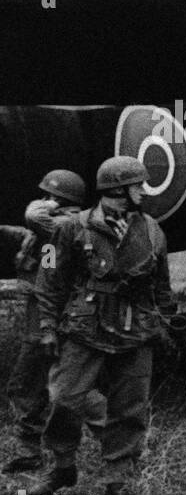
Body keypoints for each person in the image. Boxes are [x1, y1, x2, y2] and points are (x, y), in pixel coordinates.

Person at [29, 157, 176, 495]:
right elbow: (49, 283)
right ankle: (63, 466)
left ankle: (118, 479)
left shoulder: (152, 230)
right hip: (85, 326)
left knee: (130, 408)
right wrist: (48, 328)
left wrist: (171, 327)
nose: (143, 190)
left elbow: (163, 287)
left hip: (136, 328)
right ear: (119, 189)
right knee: (63, 398)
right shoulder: (74, 228)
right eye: (137, 185)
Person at [2, 170, 107, 474]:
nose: (44, 200)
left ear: (60, 200)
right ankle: (28, 450)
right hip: (49, 311)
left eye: (49, 196)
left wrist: (44, 205)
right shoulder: (61, 226)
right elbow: (31, 236)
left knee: (46, 384)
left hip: (53, 315)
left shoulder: (62, 222)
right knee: (38, 383)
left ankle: (117, 445)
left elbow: (33, 216)